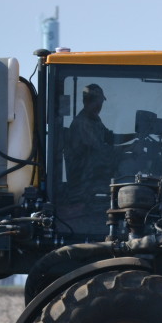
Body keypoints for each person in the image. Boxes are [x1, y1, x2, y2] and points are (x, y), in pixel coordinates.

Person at [60, 84, 133, 233]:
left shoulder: (94, 120)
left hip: (94, 175)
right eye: (98, 103)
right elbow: (102, 151)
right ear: (89, 101)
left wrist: (137, 136)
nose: (100, 107)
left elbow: (110, 138)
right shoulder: (82, 123)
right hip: (85, 181)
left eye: (100, 104)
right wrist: (130, 149)